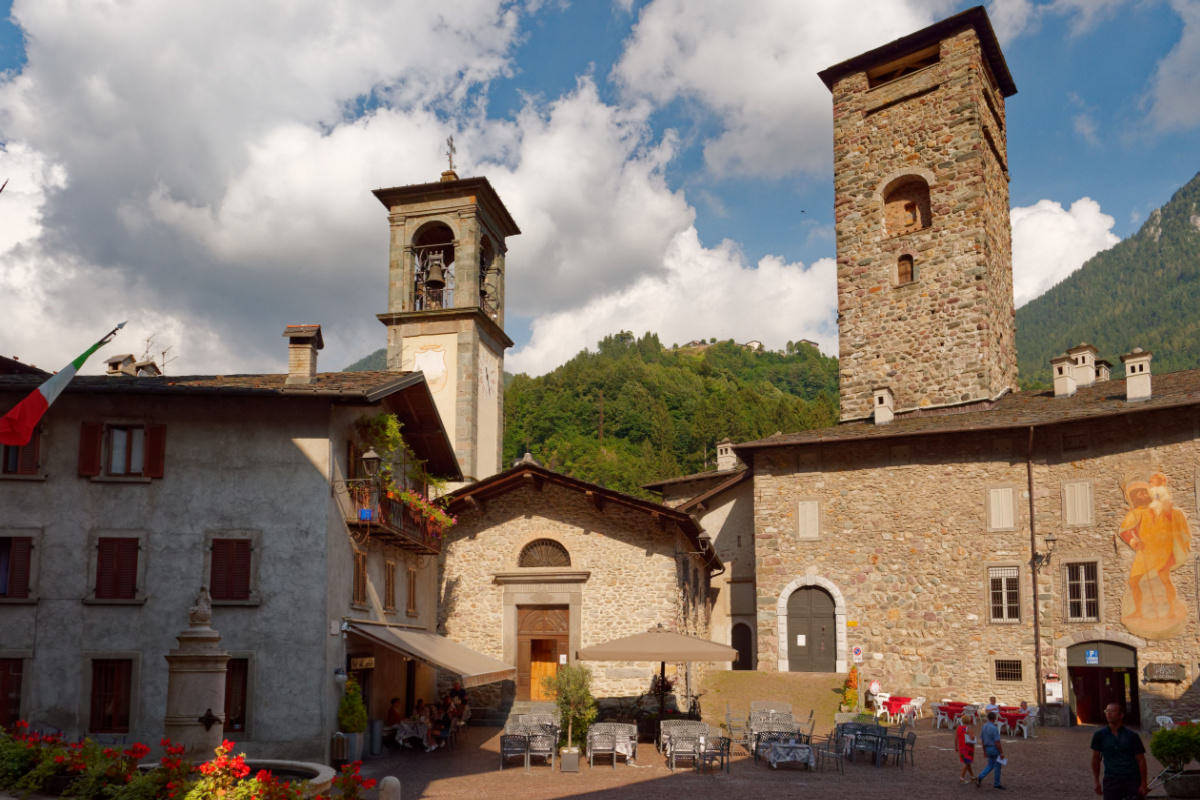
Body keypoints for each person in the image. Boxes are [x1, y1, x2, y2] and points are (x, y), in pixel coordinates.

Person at [1091, 702, 1147, 800]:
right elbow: (1096, 759)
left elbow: (1141, 760)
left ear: (1121, 715)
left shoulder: (1132, 736)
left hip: (1131, 779)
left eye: (1112, 711)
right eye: (1107, 711)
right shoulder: (1099, 735)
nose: (1108, 714)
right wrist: (1096, 781)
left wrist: (1143, 783)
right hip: (1111, 780)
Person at [975, 710, 1005, 789]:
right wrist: (1001, 752)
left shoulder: (984, 726)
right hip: (994, 748)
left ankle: (980, 777)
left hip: (987, 748)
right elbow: (997, 742)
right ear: (994, 718)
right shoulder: (994, 728)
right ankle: (997, 783)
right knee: (997, 766)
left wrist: (984, 751)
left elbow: (982, 740)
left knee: (990, 764)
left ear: (988, 718)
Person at [956, 719, 977, 784]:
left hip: (961, 748)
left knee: (968, 763)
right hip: (968, 748)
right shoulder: (968, 728)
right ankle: (961, 778)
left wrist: (956, 747)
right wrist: (974, 736)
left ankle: (972, 777)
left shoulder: (959, 728)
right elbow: (972, 738)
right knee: (967, 762)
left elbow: (956, 738)